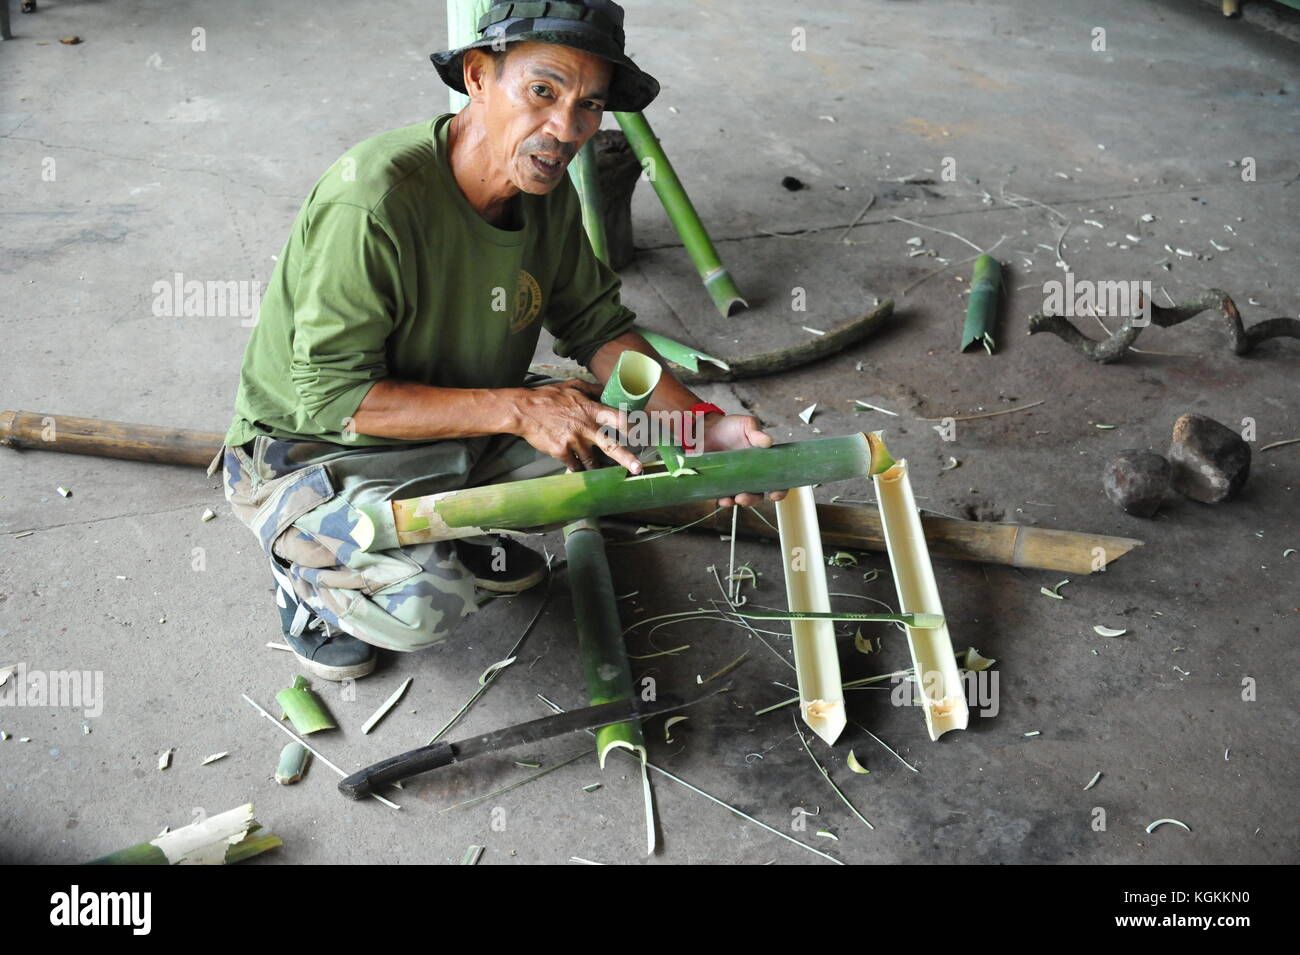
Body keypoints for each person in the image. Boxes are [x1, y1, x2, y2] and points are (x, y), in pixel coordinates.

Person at [215, 0, 785, 681]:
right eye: (542, 91)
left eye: (589, 106)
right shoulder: (373, 202)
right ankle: (303, 568)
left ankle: (455, 525)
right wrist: (520, 409)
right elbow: (333, 395)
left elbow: (598, 326)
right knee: (428, 603)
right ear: (479, 76)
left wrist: (702, 427)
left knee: (623, 442)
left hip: (457, 426)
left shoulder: (545, 191)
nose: (564, 128)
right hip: (322, 453)